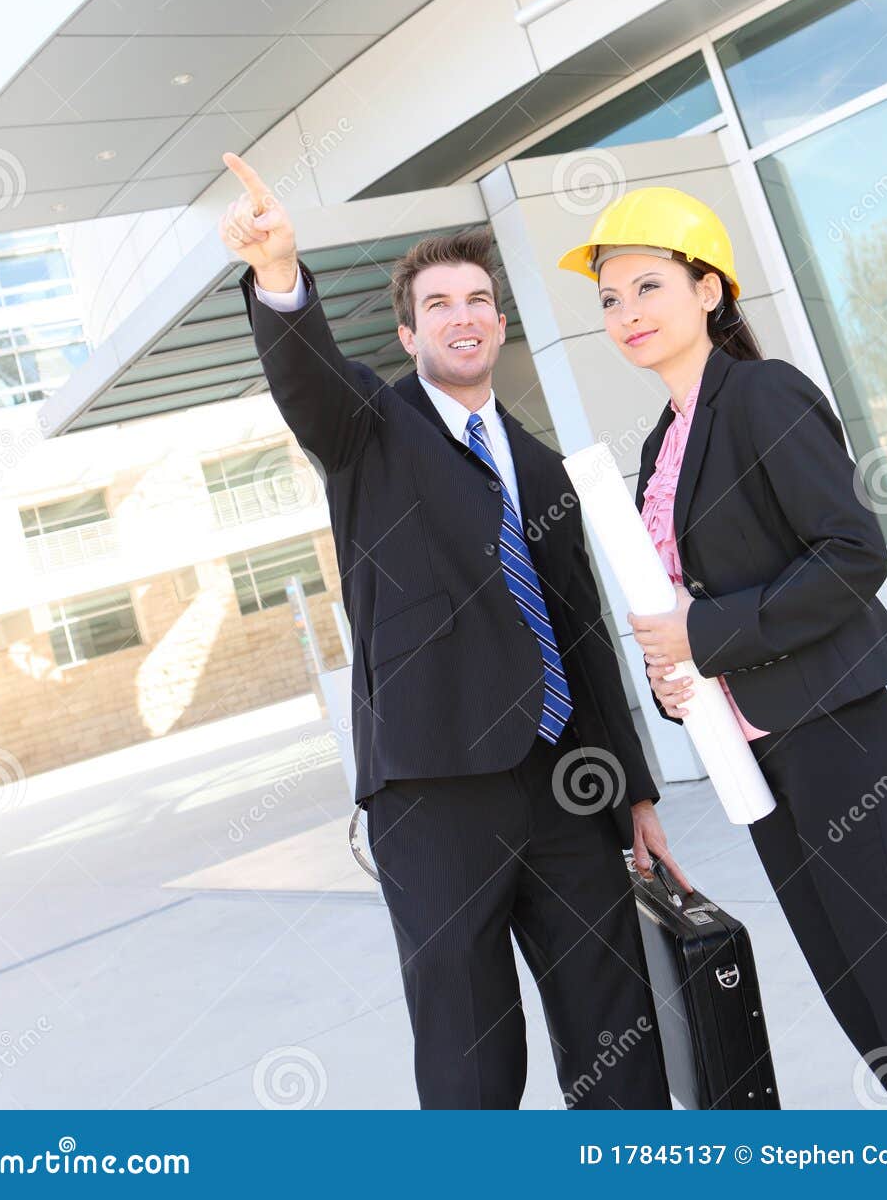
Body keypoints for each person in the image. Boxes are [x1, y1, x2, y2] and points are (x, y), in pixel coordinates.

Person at [219, 152, 684, 1111]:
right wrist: (277, 273)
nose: (464, 315)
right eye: (439, 304)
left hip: (566, 782)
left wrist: (632, 787)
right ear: (408, 330)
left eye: (478, 299)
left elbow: (582, 635)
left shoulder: (546, 468)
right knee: (469, 1053)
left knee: (615, 1033)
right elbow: (304, 376)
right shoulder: (366, 431)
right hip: (432, 794)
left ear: (500, 323)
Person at [558, 185, 887, 1109]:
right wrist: (680, 672)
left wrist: (703, 633)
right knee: (847, 983)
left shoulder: (762, 394)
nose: (626, 313)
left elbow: (848, 553)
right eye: (609, 300)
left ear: (709, 291)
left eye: (648, 287)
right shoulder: (664, 440)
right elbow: (686, 592)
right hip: (753, 747)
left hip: (832, 733)